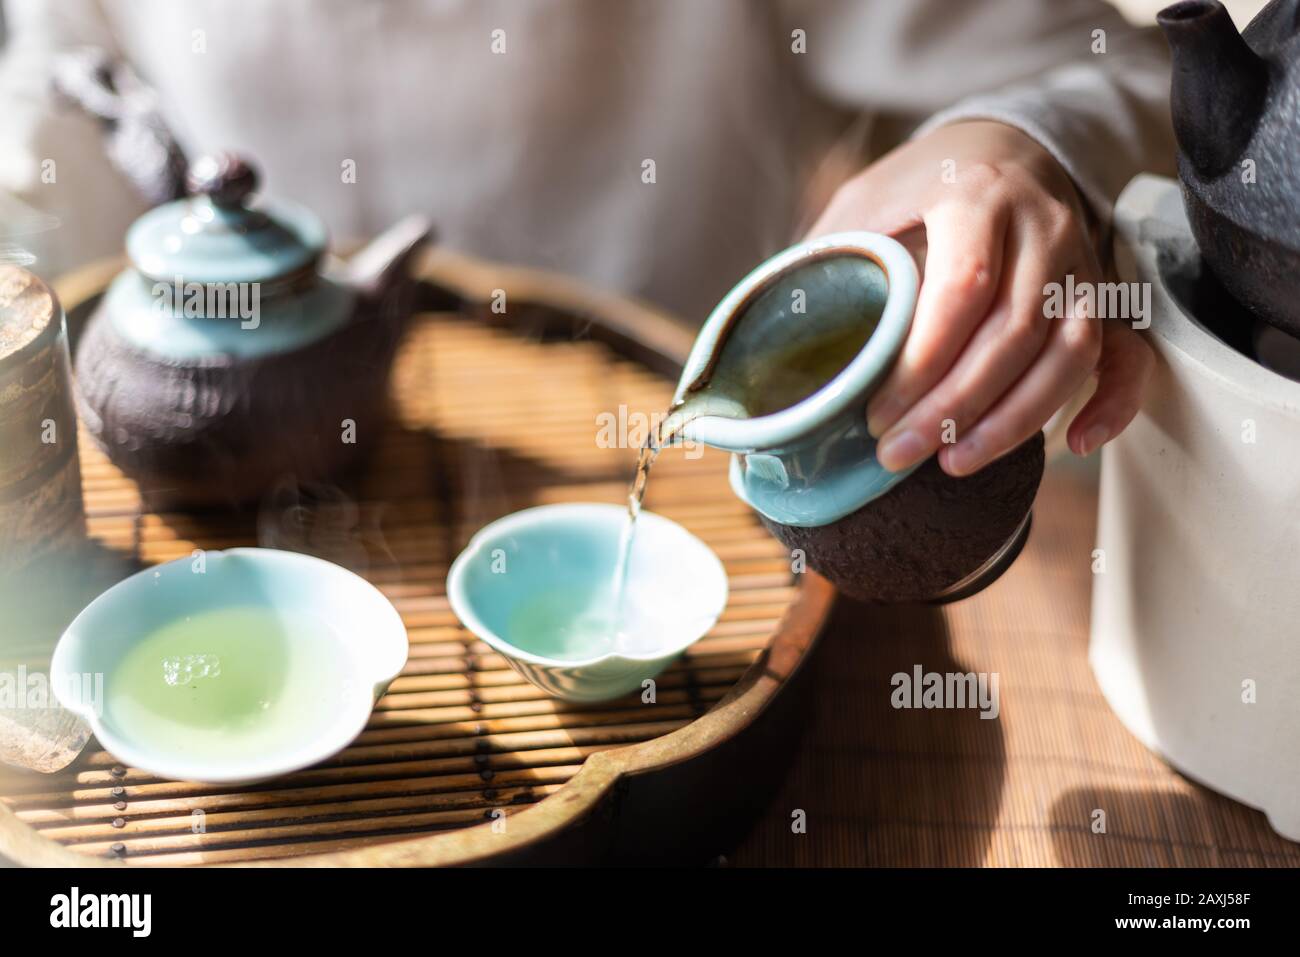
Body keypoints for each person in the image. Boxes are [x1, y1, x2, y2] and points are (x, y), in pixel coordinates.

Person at [0, 0, 1175, 475]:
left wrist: (1009, 147)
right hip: (242, 481)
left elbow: (1106, 66)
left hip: (705, 476)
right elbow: (48, 185)